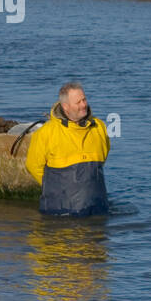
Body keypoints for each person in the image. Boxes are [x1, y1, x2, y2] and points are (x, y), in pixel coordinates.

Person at [24, 82, 110, 216]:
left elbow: (103, 156)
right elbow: (33, 165)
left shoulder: (99, 127)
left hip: (97, 207)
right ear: (65, 107)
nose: (83, 105)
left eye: (84, 99)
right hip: (60, 211)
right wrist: (57, 187)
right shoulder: (46, 133)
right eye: (78, 102)